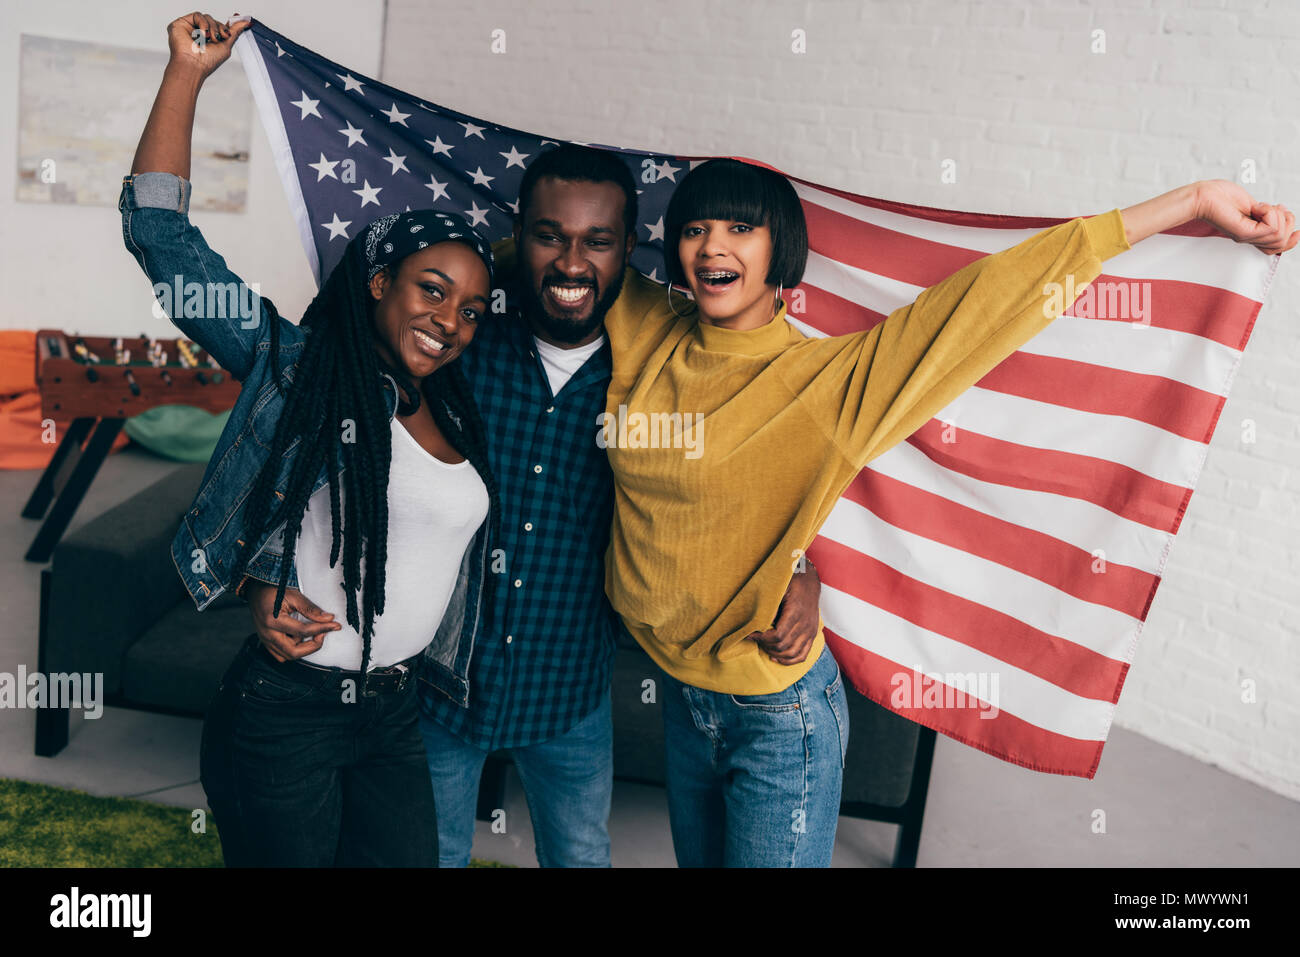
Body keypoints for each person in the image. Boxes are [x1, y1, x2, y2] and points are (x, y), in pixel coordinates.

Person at [597, 158, 1295, 867]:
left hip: (778, 716)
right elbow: (546, 253)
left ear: (782, 247)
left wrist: (1192, 200)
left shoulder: (829, 384)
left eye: (740, 228)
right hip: (683, 696)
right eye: (695, 229)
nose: (712, 245)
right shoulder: (644, 324)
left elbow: (986, 301)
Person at [246, 144, 825, 867]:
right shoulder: (456, 336)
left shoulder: (657, 367)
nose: (573, 261)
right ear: (520, 239)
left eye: (599, 241)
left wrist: (802, 565)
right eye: (550, 236)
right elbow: (314, 420)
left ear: (630, 250)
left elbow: (746, 480)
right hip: (439, 684)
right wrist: (263, 568)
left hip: (569, 684)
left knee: (580, 856)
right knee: (428, 856)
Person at [121, 12, 499, 866]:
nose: (450, 320)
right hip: (288, 708)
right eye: (431, 290)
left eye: (471, 309)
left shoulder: (463, 410)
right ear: (376, 283)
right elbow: (162, 241)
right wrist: (187, 73)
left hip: (396, 711)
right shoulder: (298, 365)